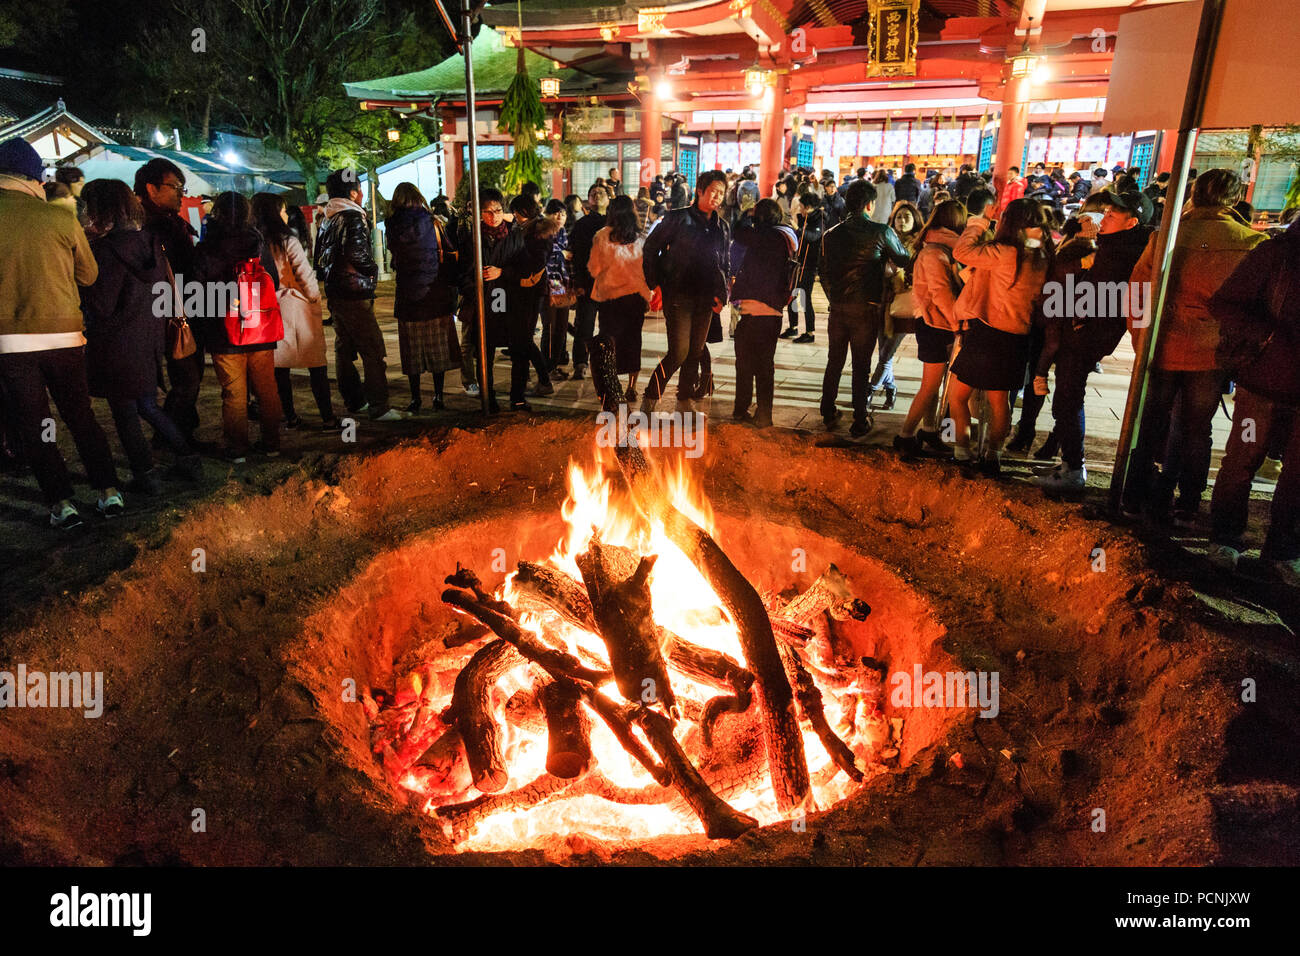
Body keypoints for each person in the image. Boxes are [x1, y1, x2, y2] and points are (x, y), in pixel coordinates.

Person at [1122, 169, 1267, 523]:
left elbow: (1137, 291)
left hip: (1162, 342)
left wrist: (1140, 339)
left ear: (1195, 194)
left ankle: (1135, 493)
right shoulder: (1251, 242)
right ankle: (1188, 498)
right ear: (1233, 199)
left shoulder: (1167, 236)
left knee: (1150, 421)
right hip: (1212, 349)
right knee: (1198, 427)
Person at [0, 137, 123, 528]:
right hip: (65, 337)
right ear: (36, 180)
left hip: (10, 342)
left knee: (35, 423)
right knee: (80, 416)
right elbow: (89, 275)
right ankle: (108, 492)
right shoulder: (59, 217)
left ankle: (62, 504)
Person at [80, 179, 199, 493]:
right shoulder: (149, 242)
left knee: (125, 413)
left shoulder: (105, 250)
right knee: (147, 405)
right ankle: (188, 458)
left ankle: (146, 475)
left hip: (116, 345)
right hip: (148, 338)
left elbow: (102, 305)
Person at [1032, 190, 1154, 491]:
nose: (1105, 217)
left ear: (1131, 222)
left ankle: (1073, 469)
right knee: (1068, 398)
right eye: (1106, 211)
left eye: (1113, 214)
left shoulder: (1121, 254)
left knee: (1068, 399)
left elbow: (1108, 301)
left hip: (1086, 337)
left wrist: (1076, 323)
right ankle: (1069, 463)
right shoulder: (1114, 246)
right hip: (1084, 334)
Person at [1207, 218, 1300, 584]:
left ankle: (1284, 549)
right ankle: (1225, 537)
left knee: (1297, 475)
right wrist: (1270, 336)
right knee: (1242, 459)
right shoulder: (1277, 252)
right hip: (1261, 385)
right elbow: (1223, 303)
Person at [946, 198, 1054, 475]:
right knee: (1000, 402)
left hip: (988, 334)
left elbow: (962, 251)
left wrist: (980, 221)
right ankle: (993, 456)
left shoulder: (1006, 252)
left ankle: (961, 451)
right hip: (1017, 337)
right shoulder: (1041, 255)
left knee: (957, 396)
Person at [817, 179, 911, 439]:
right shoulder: (881, 231)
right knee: (861, 364)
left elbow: (822, 271)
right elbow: (905, 258)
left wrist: (834, 297)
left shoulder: (830, 234)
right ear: (870, 204)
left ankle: (828, 409)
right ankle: (860, 418)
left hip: (838, 308)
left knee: (834, 361)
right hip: (866, 308)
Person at [193, 192, 284, 461]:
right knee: (267, 389)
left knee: (234, 392)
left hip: (224, 333)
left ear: (217, 212)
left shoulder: (207, 247)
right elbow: (274, 283)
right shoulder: (258, 244)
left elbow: (197, 291)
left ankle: (237, 449)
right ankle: (272, 444)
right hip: (260, 329)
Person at [641, 169, 731, 415]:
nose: (717, 196)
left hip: (706, 297)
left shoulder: (721, 226)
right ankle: (650, 397)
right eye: (713, 190)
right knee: (679, 352)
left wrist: (722, 294)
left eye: (721, 193)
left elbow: (725, 262)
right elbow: (650, 248)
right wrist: (655, 283)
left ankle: (684, 398)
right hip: (678, 294)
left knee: (696, 351)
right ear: (700, 190)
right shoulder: (677, 218)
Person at [315, 169, 402, 421]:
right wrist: (373, 271)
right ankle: (379, 406)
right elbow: (357, 254)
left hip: (336, 291)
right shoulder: (353, 216)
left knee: (344, 347)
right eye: (360, 189)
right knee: (373, 349)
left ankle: (354, 400)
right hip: (354, 290)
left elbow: (320, 258)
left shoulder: (328, 217)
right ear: (353, 192)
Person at [251, 192, 335, 429]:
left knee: (281, 368)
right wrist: (314, 299)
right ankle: (327, 417)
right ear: (274, 213)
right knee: (316, 364)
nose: (286, 214)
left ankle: (290, 417)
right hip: (297, 306)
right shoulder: (287, 240)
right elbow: (304, 274)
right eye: (283, 210)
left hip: (271, 309)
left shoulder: (257, 241)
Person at [135, 157, 202, 443]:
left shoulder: (172, 222)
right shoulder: (142, 226)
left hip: (186, 308)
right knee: (186, 379)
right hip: (165, 312)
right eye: (175, 187)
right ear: (151, 188)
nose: (180, 194)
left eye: (182, 188)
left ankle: (182, 433)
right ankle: (170, 440)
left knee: (188, 377)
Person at [894, 200, 968, 456]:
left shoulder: (940, 249)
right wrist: (957, 323)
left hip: (938, 323)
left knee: (936, 385)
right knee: (930, 385)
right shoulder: (935, 252)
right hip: (936, 324)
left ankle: (929, 430)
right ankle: (905, 434)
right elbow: (940, 294)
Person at [384, 182, 461, 414]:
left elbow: (395, 260)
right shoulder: (433, 222)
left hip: (408, 297)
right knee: (438, 349)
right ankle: (438, 396)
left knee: (413, 351)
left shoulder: (392, 225)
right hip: (435, 294)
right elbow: (448, 251)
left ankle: (415, 398)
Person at [730, 198, 798, 428]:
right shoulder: (786, 237)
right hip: (772, 308)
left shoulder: (763, 237)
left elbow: (737, 232)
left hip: (753, 306)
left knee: (746, 362)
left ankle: (743, 409)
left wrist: (745, 214)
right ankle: (763, 412)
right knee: (764, 363)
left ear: (758, 217)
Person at [589, 194, 653, 403]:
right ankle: (632, 387)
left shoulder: (601, 236)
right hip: (634, 298)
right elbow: (645, 272)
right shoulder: (640, 238)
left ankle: (612, 385)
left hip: (610, 298)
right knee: (633, 340)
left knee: (609, 342)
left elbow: (594, 268)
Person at [867, 200, 925, 410]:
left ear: (915, 221)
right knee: (884, 351)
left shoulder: (919, 245)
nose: (901, 221)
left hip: (903, 303)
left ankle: (869, 390)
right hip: (883, 301)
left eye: (906, 218)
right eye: (898, 217)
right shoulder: (886, 240)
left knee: (886, 354)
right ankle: (891, 388)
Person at [566, 182, 610, 380]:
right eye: (593, 193)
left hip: (611, 285)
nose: (597, 195)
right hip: (588, 283)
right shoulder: (581, 225)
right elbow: (574, 255)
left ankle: (604, 362)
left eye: (601, 193)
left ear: (609, 198)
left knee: (608, 327)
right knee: (585, 325)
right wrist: (577, 283)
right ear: (588, 200)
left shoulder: (615, 223)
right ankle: (580, 363)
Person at [781, 191, 824, 343]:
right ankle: (793, 327)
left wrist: (797, 228)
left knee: (805, 298)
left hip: (810, 266)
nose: (799, 210)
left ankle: (810, 332)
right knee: (793, 295)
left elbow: (813, 237)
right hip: (798, 264)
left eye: (801, 207)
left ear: (808, 207)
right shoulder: (804, 218)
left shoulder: (819, 220)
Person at [540, 198, 574, 379]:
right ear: (547, 214)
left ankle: (553, 365)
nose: (560, 216)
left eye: (563, 213)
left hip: (562, 285)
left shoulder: (563, 233)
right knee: (550, 327)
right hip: (548, 285)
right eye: (555, 212)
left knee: (561, 328)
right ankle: (546, 369)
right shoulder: (543, 231)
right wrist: (560, 253)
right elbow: (543, 253)